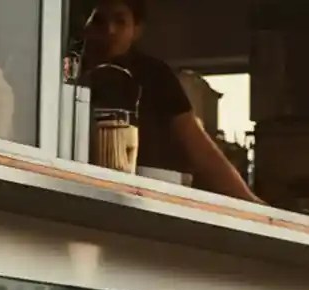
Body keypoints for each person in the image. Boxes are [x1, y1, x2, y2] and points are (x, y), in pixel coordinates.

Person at [80, 0, 262, 203]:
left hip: (143, 197)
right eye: (99, 21)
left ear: (137, 29)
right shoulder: (70, 73)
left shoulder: (155, 75)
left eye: (120, 21)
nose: (109, 30)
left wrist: (250, 201)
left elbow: (198, 146)